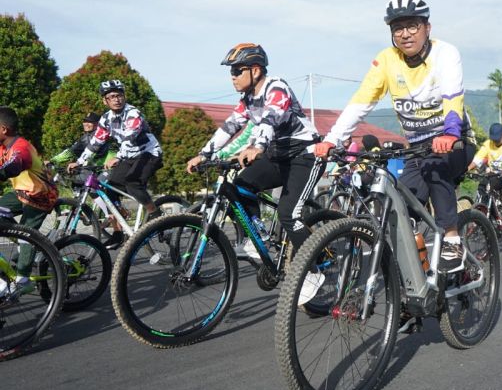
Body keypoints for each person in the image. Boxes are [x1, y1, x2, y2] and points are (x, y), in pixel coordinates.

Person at [315, 0, 476, 273]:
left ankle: (452, 239)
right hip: (417, 146)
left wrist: (450, 133)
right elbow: (361, 101)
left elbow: (453, 96)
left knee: (435, 166)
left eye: (412, 25)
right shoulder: (387, 60)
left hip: (456, 140)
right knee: (400, 205)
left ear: (427, 27)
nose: (405, 34)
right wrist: (332, 138)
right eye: (397, 28)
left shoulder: (445, 53)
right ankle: (422, 279)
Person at [186, 43, 324, 272]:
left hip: (305, 155)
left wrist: (257, 146)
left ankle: (314, 268)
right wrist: (204, 153)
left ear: (256, 70)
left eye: (237, 70)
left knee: (288, 214)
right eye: (231, 71)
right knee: (240, 187)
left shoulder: (276, 87)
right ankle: (259, 239)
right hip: (278, 156)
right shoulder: (248, 99)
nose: (232, 77)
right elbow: (230, 126)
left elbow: (271, 117)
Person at [68, 80, 164, 249]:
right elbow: (95, 142)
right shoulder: (106, 119)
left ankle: (156, 214)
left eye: (119, 95)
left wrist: (118, 156)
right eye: (111, 97)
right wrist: (80, 162)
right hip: (129, 156)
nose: (117, 99)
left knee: (133, 183)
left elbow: (130, 137)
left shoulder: (133, 113)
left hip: (149, 153)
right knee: (109, 188)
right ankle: (118, 233)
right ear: (105, 101)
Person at [0, 106, 59, 295]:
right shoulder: (2, 146)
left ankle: (23, 279)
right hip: (22, 192)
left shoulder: (20, 147)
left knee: (26, 233)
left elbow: (14, 166)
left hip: (41, 195)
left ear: (3, 129)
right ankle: (32, 244)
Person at [467, 123, 502, 246]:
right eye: (494, 139)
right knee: (483, 187)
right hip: (496, 176)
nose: (496, 141)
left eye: (498, 138)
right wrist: (466, 169)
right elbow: (477, 159)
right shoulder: (488, 144)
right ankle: (485, 216)